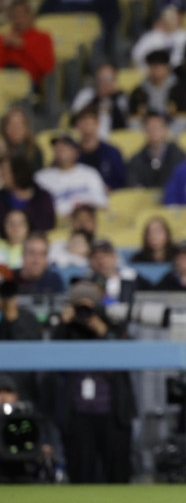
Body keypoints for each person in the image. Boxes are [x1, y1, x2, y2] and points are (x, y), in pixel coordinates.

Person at [52, 280, 135, 484]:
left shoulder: (111, 324)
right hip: (77, 413)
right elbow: (50, 357)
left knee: (117, 474)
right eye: (80, 305)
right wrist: (63, 324)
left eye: (88, 305)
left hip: (112, 413)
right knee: (80, 473)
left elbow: (127, 355)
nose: (84, 311)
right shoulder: (66, 329)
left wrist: (102, 330)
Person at [35, 132, 108, 217]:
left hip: (90, 220)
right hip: (60, 224)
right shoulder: (41, 178)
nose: (60, 149)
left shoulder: (90, 173)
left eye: (65, 146)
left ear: (76, 151)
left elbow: (102, 204)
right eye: (57, 146)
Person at [0, 0, 54, 85]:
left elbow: (47, 68)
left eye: (21, 16)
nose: (18, 20)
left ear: (31, 16)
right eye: (14, 16)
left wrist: (23, 45)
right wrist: (2, 46)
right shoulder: (4, 38)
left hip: (28, 86)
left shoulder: (42, 37)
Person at [126, 113, 186, 189]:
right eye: (150, 128)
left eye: (158, 128)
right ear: (144, 131)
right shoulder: (136, 159)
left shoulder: (178, 156)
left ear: (166, 130)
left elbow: (182, 182)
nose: (154, 131)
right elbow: (132, 184)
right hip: (143, 200)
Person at [73, 104, 126, 190]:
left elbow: (123, 182)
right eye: (83, 122)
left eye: (90, 122)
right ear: (77, 126)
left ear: (97, 124)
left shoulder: (112, 152)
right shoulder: (70, 153)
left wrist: (111, 188)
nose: (87, 127)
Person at [70, 63, 129, 137]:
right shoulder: (86, 95)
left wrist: (113, 101)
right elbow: (74, 120)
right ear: (97, 81)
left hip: (117, 138)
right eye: (103, 80)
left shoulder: (122, 98)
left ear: (115, 81)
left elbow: (129, 123)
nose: (106, 84)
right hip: (89, 138)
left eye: (109, 80)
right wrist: (97, 100)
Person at [0, 155, 55, 234]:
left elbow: (47, 226)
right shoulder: (2, 198)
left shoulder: (42, 197)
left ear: (18, 173)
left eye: (5, 173)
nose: (2, 177)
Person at [130, 1, 186, 70]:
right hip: (150, 75)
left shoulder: (185, 36)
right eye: (167, 14)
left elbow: (184, 61)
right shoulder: (151, 36)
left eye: (173, 15)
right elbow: (137, 56)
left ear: (179, 17)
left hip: (176, 76)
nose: (170, 18)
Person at [128, 49, 178, 119]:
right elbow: (133, 114)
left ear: (167, 67)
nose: (154, 69)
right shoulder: (140, 91)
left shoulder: (178, 89)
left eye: (158, 66)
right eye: (151, 65)